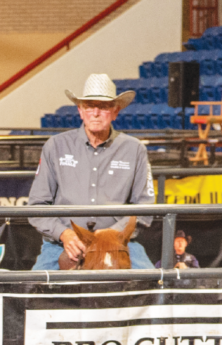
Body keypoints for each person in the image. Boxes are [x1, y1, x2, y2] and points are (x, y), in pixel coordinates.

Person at [28, 73, 157, 270]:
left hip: (119, 244)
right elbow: (37, 205)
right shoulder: (55, 146)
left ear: (115, 111)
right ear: (80, 111)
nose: (95, 112)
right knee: (32, 292)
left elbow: (145, 208)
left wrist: (109, 236)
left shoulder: (134, 149)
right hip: (64, 244)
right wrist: (64, 234)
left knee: (153, 285)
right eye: (89, 106)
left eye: (104, 106)